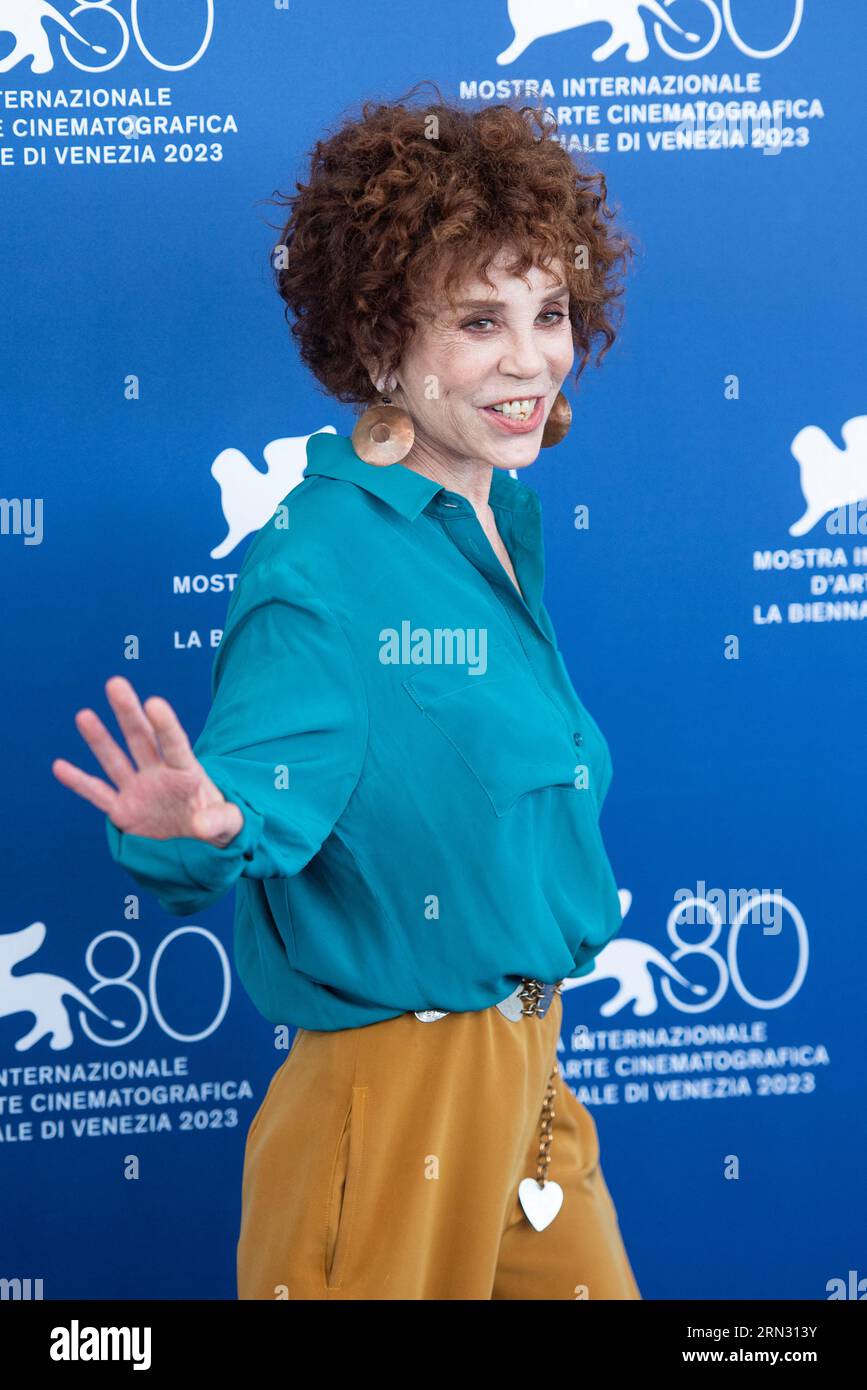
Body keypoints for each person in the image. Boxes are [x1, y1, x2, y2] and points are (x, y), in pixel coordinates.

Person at [52, 83, 641, 1301]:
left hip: (532, 1088)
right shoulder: (322, 564)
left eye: (547, 312)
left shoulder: (497, 521)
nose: (530, 359)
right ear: (380, 346)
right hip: (392, 1112)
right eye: (477, 321)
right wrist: (203, 824)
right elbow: (251, 791)